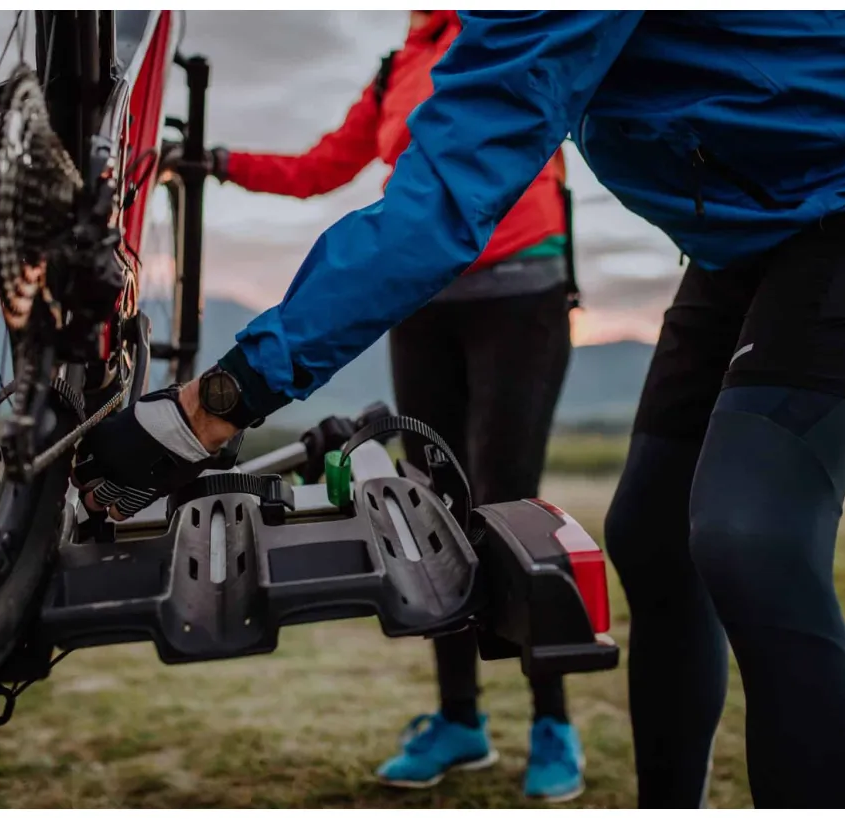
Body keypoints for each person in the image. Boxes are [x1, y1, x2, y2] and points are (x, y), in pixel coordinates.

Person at [73, 11, 845, 808]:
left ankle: (555, 730)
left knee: (752, 535)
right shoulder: (418, 52)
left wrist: (207, 408)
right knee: (654, 537)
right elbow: (361, 169)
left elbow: (447, 198)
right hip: (741, 243)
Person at [195, 9, 583, 801]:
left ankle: (553, 720)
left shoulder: (523, 24)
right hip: (424, 298)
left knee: (509, 506)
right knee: (433, 505)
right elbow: (318, 169)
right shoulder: (394, 65)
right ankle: (460, 719)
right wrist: (219, 160)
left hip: (522, 294)